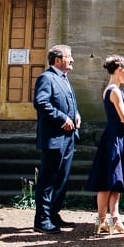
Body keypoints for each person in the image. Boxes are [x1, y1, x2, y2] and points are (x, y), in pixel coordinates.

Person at [85, 55, 124, 235]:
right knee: (108, 180)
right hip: (115, 138)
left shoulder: (113, 90)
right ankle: (103, 220)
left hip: (119, 137)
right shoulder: (114, 91)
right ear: (118, 70)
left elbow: (123, 116)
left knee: (116, 181)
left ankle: (114, 219)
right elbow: (123, 119)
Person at [32, 44, 82, 234]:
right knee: (48, 179)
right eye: (69, 57)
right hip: (54, 137)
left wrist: (76, 113)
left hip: (68, 137)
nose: (72, 60)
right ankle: (42, 219)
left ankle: (53, 213)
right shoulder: (47, 78)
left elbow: (69, 101)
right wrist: (62, 118)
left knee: (62, 178)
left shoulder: (64, 78)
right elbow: (41, 102)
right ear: (57, 60)